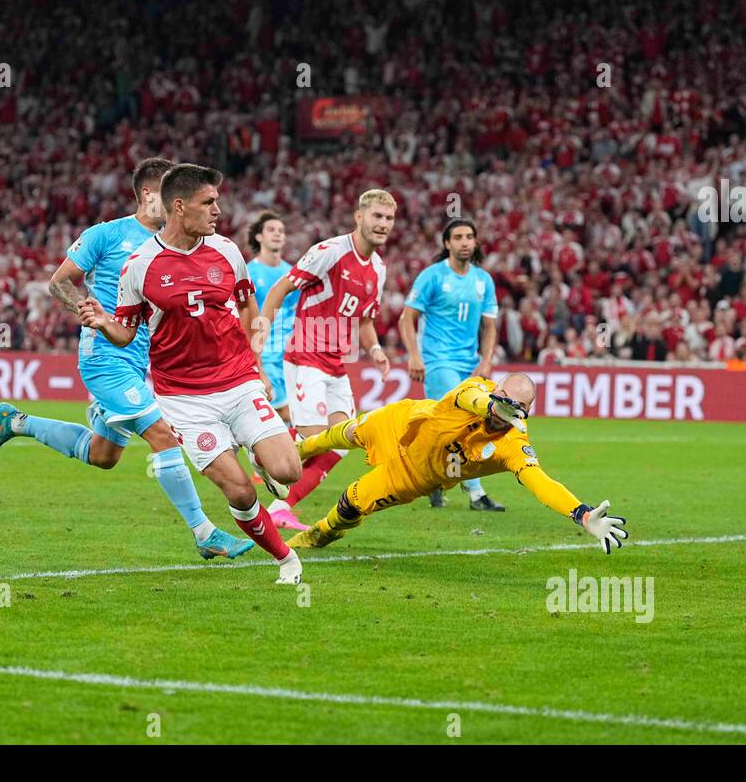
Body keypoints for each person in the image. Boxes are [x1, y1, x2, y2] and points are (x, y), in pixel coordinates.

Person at [0, 158, 254, 561]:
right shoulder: (107, 235)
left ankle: (17, 422)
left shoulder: (173, 246)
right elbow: (59, 281)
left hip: (142, 358)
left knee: (103, 456)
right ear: (150, 195)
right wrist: (86, 311)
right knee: (163, 434)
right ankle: (204, 532)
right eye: (167, 192)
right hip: (105, 355)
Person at [78, 163, 305, 584]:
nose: (218, 210)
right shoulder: (140, 266)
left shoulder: (227, 251)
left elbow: (246, 308)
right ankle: (285, 558)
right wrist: (103, 322)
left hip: (237, 381)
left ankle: (255, 448)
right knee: (240, 491)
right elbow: (127, 332)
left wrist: (256, 364)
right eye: (209, 202)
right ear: (179, 207)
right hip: (184, 399)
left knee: (289, 471)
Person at [285, 373, 628, 555]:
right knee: (351, 430)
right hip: (405, 422)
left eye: (518, 405)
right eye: (505, 399)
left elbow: (540, 482)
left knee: (352, 502)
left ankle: (320, 535)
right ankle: (302, 448)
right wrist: (493, 407)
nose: (509, 408)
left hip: (414, 475)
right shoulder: (477, 389)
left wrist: (581, 513)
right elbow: (471, 397)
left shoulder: (513, 445)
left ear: (528, 411)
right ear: (497, 391)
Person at [256, 189, 394, 530]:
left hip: (336, 364)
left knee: (342, 443)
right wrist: (260, 336)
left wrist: (375, 350)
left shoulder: (378, 269)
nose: (383, 224)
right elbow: (281, 288)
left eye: (389, 218)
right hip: (305, 356)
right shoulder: (330, 252)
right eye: (377, 216)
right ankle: (264, 452)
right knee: (315, 437)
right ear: (359, 217)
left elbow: (364, 320)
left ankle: (280, 505)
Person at [398, 218, 504, 511]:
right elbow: (407, 318)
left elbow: (490, 327)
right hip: (438, 361)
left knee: (441, 427)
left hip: (469, 363)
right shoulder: (432, 276)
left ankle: (431, 479)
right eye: (458, 237)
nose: (465, 242)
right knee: (466, 421)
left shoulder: (483, 280)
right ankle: (476, 494)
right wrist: (414, 355)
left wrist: (486, 361)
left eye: (469, 236)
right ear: (447, 243)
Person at [245, 210, 298, 424]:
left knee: (289, 418)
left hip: (290, 356)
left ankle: (264, 455)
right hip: (265, 355)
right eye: (271, 230)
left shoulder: (292, 274)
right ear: (259, 236)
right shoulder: (249, 272)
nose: (277, 234)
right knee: (286, 414)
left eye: (281, 231)